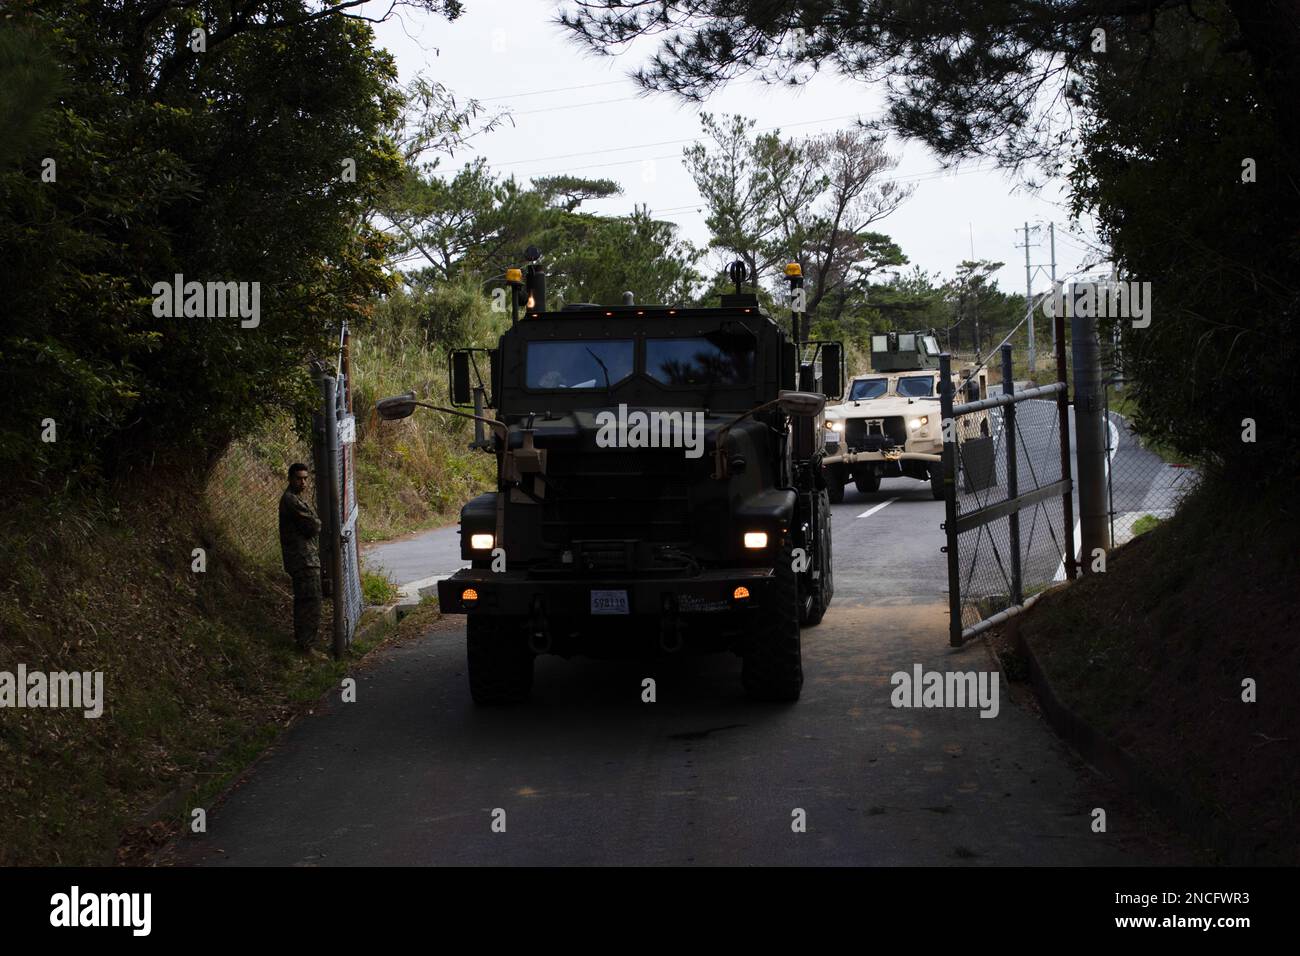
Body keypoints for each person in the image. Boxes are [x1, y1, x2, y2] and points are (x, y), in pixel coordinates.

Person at [279, 463, 322, 652]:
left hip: (305, 559)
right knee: (310, 601)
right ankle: (306, 646)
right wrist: (316, 522)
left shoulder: (295, 498)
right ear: (290, 479)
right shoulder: (291, 500)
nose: (303, 482)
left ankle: (305, 643)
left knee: (307, 600)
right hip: (302, 559)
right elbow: (314, 525)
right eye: (299, 478)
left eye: (305, 478)